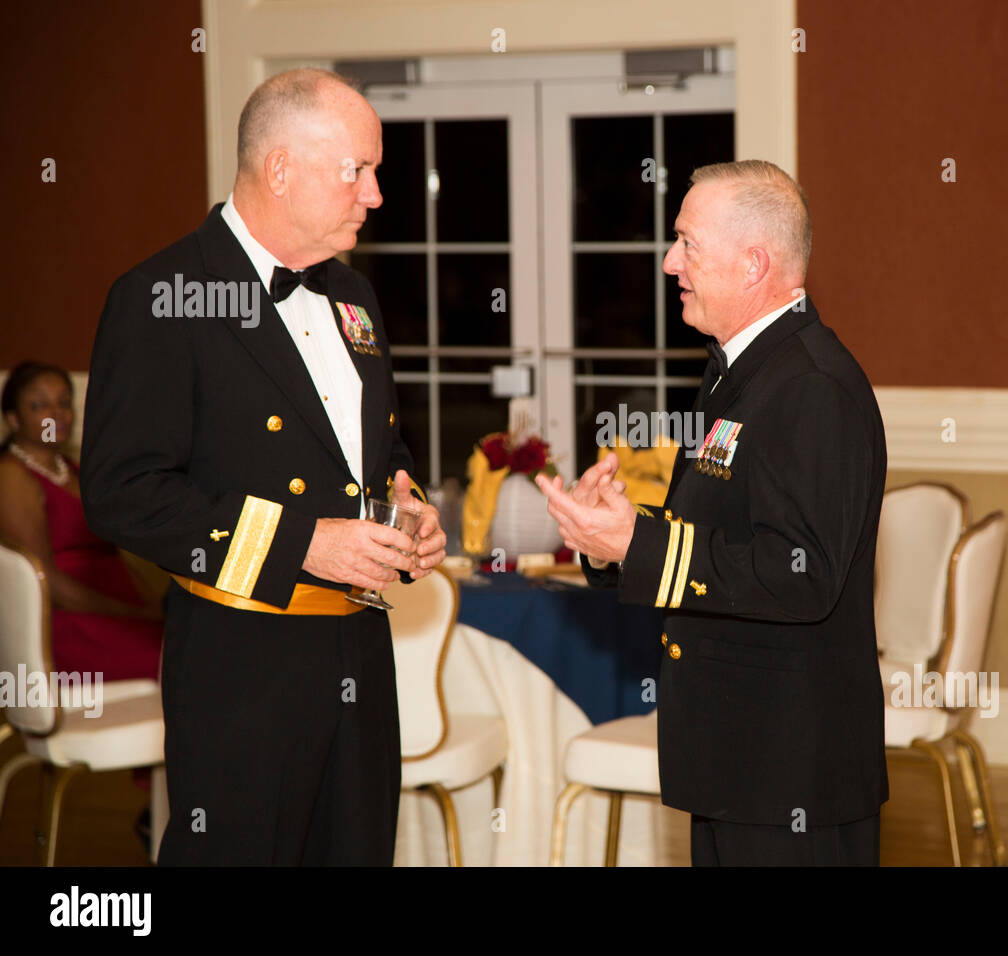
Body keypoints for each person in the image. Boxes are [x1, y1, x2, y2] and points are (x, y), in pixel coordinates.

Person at [80, 68, 447, 866]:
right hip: (243, 659)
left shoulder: (354, 295)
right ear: (280, 169)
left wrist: (408, 502)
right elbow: (121, 493)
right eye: (359, 170)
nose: (377, 194)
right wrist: (302, 546)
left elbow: (378, 449)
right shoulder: (161, 295)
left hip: (360, 652)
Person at [537, 160, 889, 866]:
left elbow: (803, 575)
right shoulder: (740, 370)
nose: (671, 263)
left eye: (687, 243)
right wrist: (615, 536)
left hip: (791, 776)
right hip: (739, 760)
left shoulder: (812, 386)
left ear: (754, 262)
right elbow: (720, 536)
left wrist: (641, 545)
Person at [0, 361, 163, 681]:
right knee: (170, 662)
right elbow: (40, 578)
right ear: (13, 418)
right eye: (39, 405)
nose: (56, 413)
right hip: (68, 622)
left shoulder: (75, 470)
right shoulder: (11, 476)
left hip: (116, 609)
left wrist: (154, 607)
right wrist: (136, 614)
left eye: (64, 402)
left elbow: (111, 556)